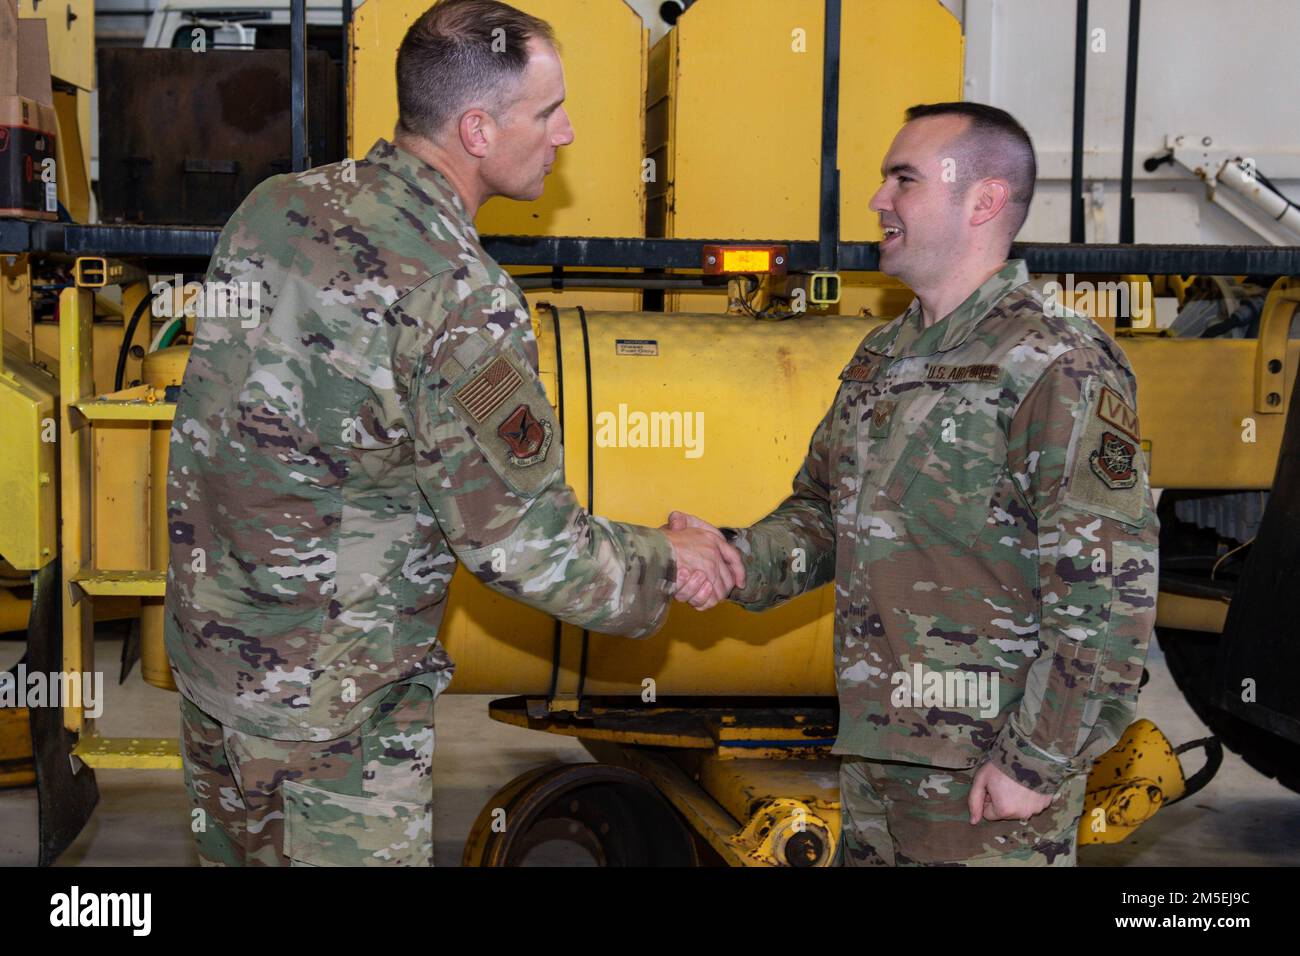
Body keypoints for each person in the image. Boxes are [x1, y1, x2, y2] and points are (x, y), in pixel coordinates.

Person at [164, 0, 741, 866]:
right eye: (547, 113)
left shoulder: (273, 207)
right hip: (337, 714)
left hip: (215, 671)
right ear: (477, 128)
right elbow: (524, 547)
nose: (568, 133)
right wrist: (672, 559)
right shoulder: (460, 296)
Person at [670, 102, 1158, 866]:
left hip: (986, 772)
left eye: (904, 180)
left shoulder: (1058, 362)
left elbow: (1106, 593)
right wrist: (732, 557)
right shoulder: (883, 354)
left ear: (984, 201)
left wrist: (1037, 760)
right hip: (878, 753)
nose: (877, 201)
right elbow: (824, 516)